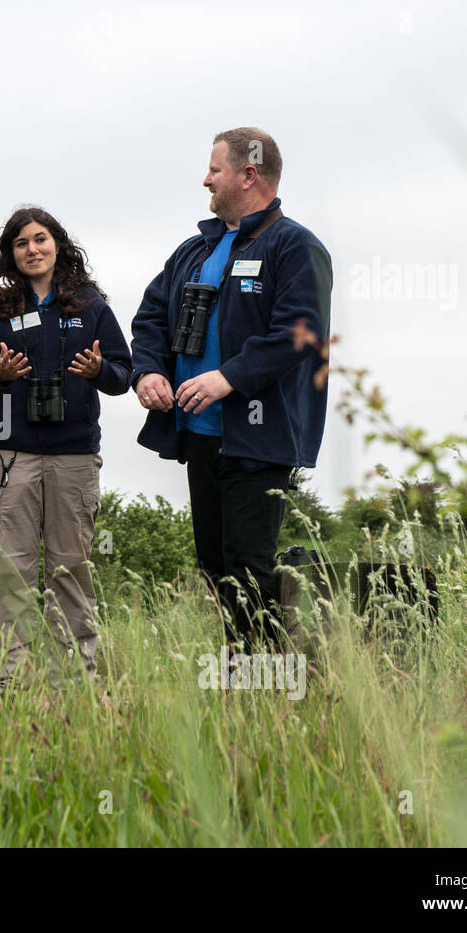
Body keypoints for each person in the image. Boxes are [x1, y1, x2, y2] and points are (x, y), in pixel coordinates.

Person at [130, 128, 332, 646]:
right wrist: (148, 371)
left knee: (248, 569)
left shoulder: (295, 245)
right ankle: (239, 688)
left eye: (214, 170)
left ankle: (262, 689)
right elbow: (151, 315)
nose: (206, 180)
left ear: (249, 174)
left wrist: (228, 378)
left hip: (258, 437)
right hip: (200, 434)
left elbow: (299, 332)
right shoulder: (195, 249)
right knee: (215, 566)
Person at [0, 207, 132, 687]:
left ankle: (75, 686)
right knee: (11, 576)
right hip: (11, 458)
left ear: (57, 244)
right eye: (21, 243)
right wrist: (0, 374)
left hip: (74, 457)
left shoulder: (90, 304)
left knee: (70, 573)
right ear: (10, 253)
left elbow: (123, 375)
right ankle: (7, 685)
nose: (32, 249)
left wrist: (99, 371)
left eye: (40, 239)